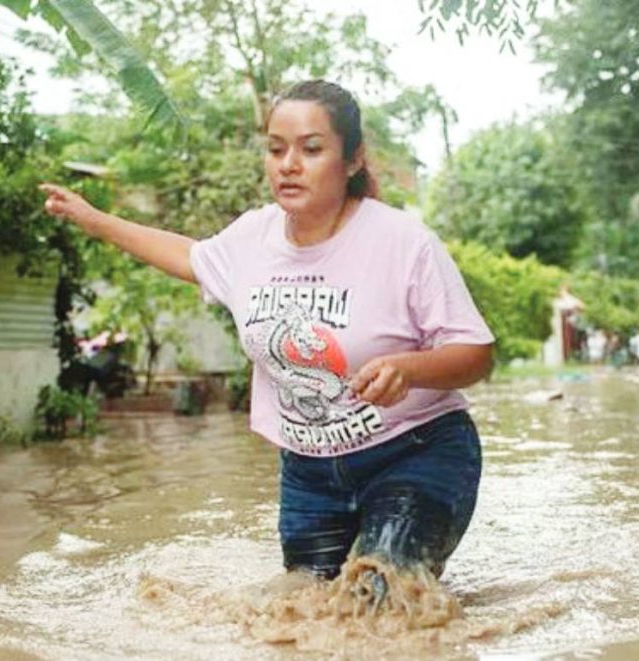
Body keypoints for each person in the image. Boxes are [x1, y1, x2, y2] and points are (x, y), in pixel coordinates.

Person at [40, 80, 495, 585]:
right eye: (276, 149)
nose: (288, 164)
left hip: (415, 453)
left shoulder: (402, 241)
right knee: (299, 608)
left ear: (352, 160)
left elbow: (476, 353)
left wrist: (409, 369)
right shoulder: (251, 239)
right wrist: (94, 219)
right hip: (310, 473)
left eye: (311, 149)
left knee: (380, 594)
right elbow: (185, 256)